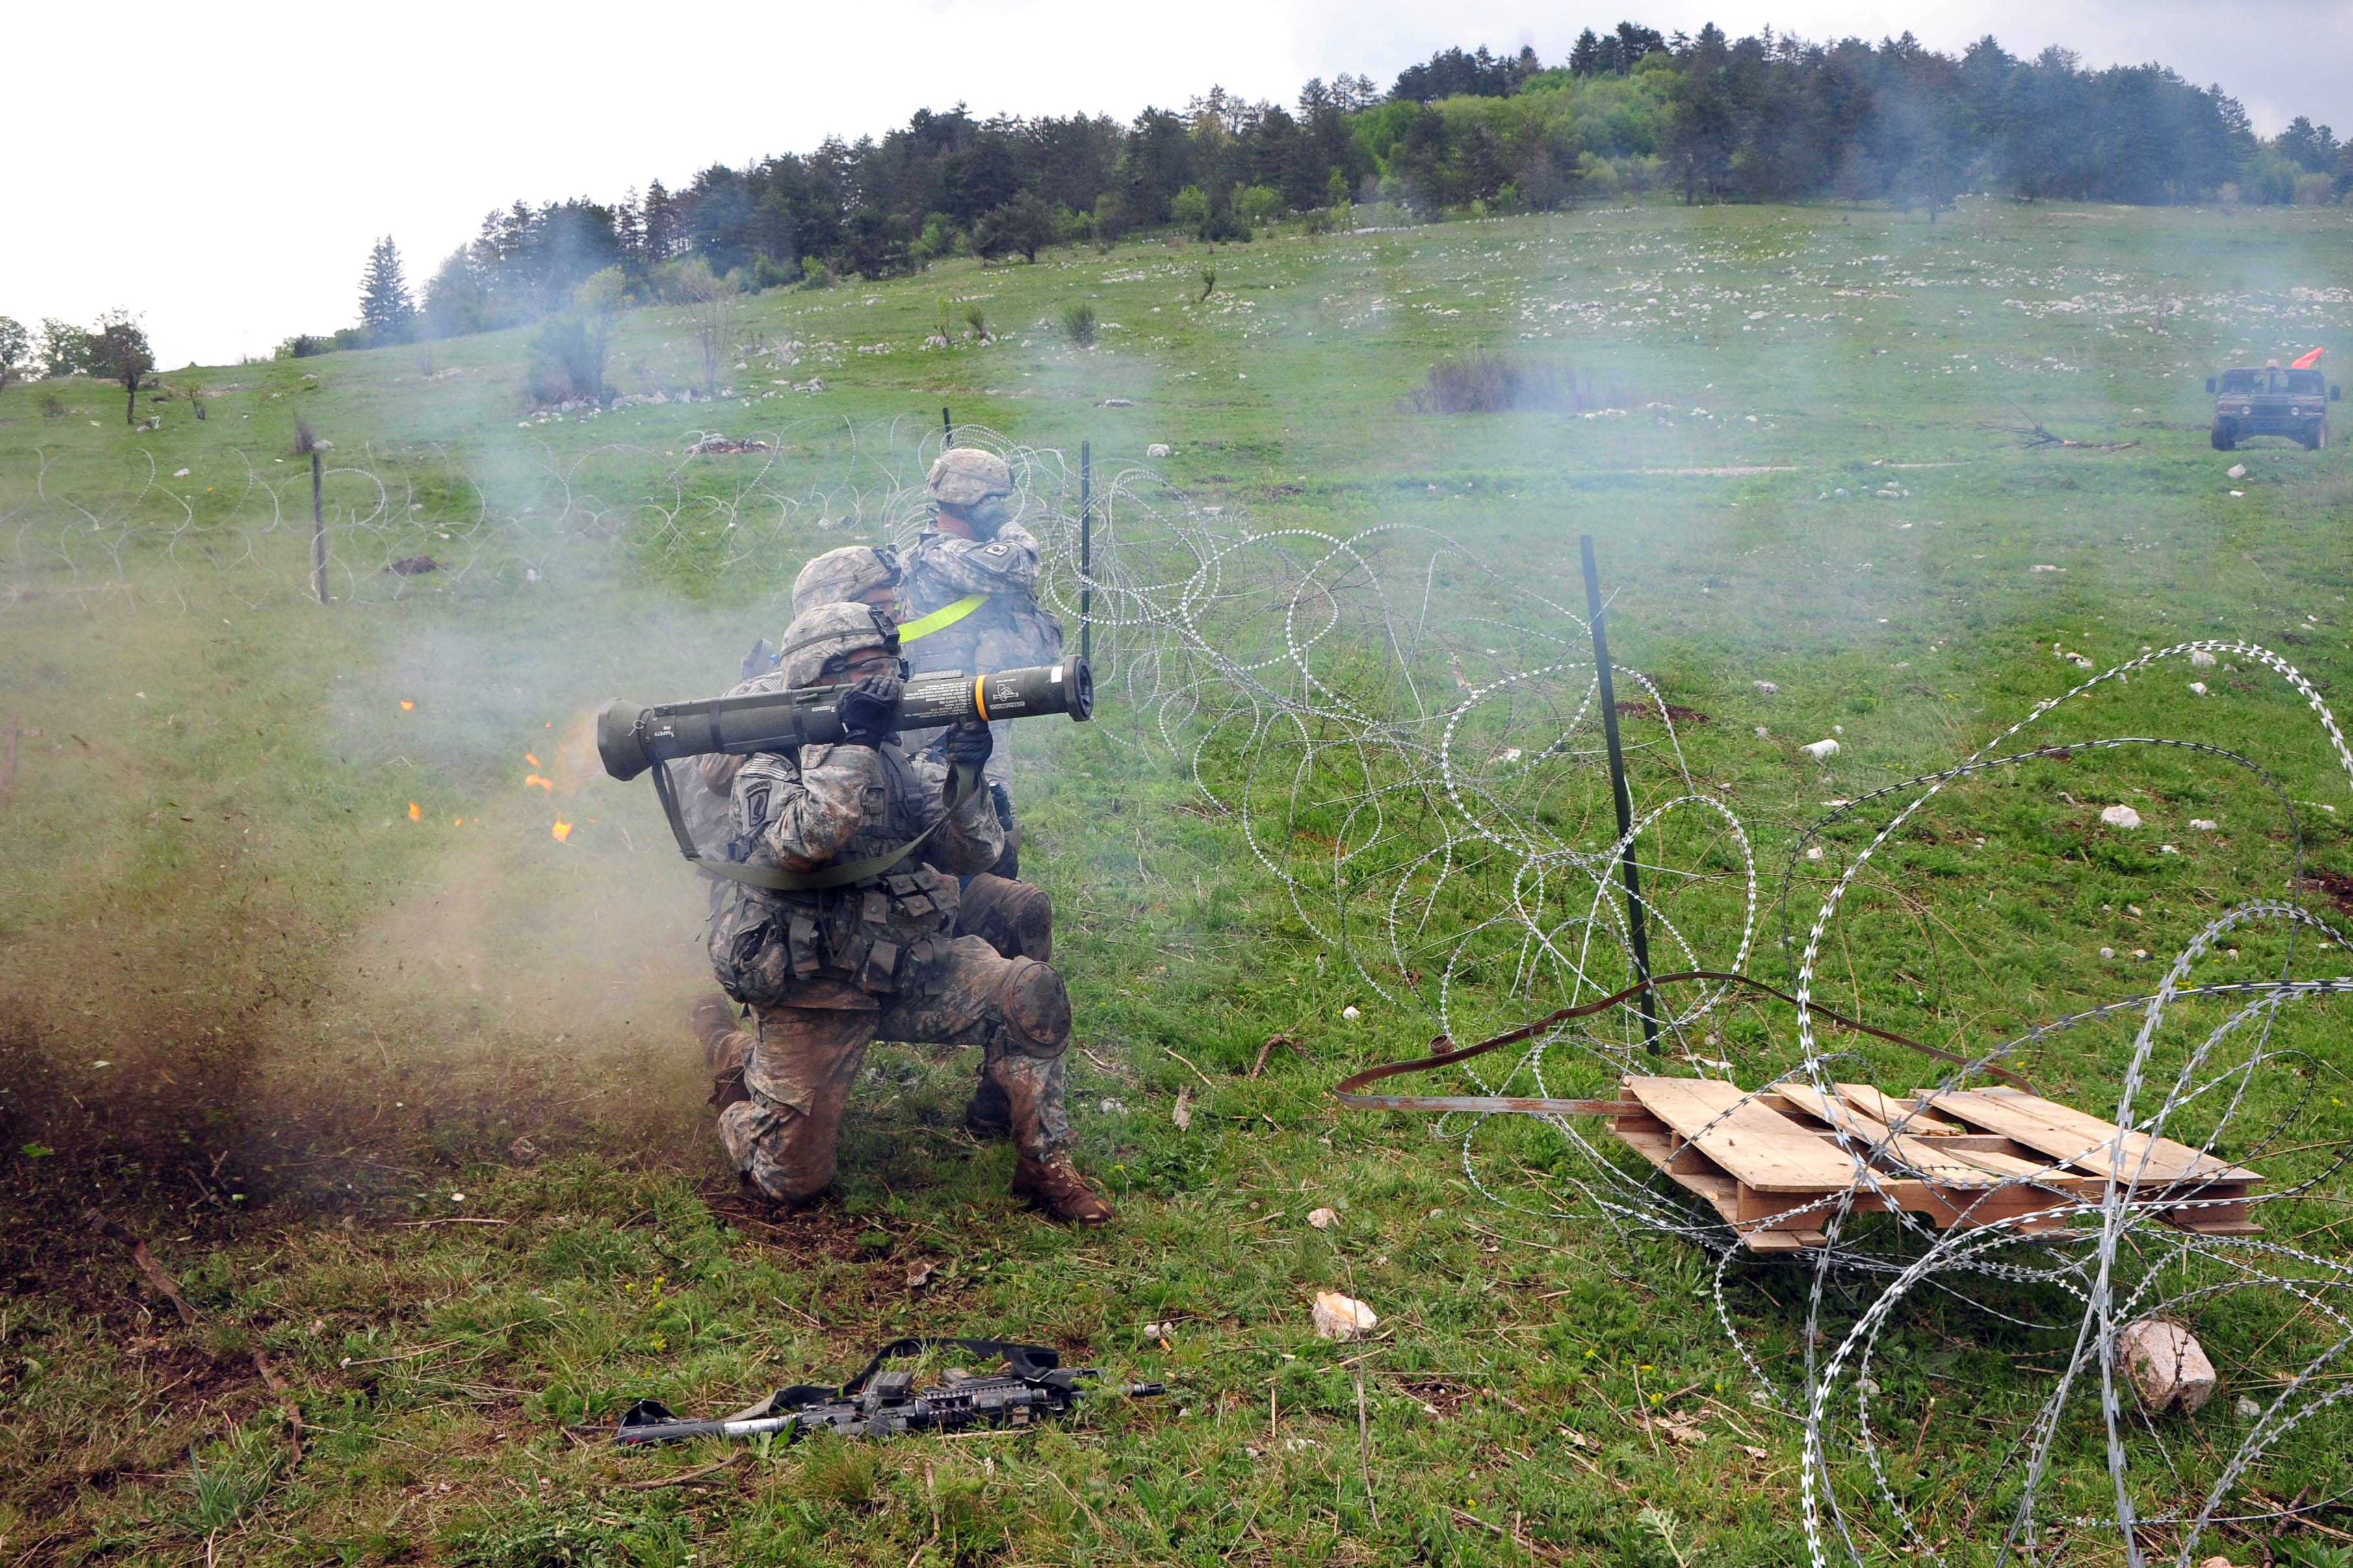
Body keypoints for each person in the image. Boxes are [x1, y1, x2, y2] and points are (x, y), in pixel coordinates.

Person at [687, 599, 1113, 1224]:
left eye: (888, 665)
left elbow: (976, 852)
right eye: (862, 670)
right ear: (816, 679)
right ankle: (731, 1053)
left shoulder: (897, 757)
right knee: (791, 1182)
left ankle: (1044, 1164)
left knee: (1031, 991)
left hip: (906, 966)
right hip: (816, 987)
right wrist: (851, 741)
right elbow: (803, 843)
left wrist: (965, 774)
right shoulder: (767, 762)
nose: (883, 681)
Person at [898, 448, 1065, 880]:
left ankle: (992, 907)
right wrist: (1002, 526)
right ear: (976, 503)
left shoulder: (960, 554)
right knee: (977, 820)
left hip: (974, 709)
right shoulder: (944, 554)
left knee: (993, 818)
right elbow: (1023, 563)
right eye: (995, 503)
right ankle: (980, 916)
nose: (1002, 511)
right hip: (949, 720)